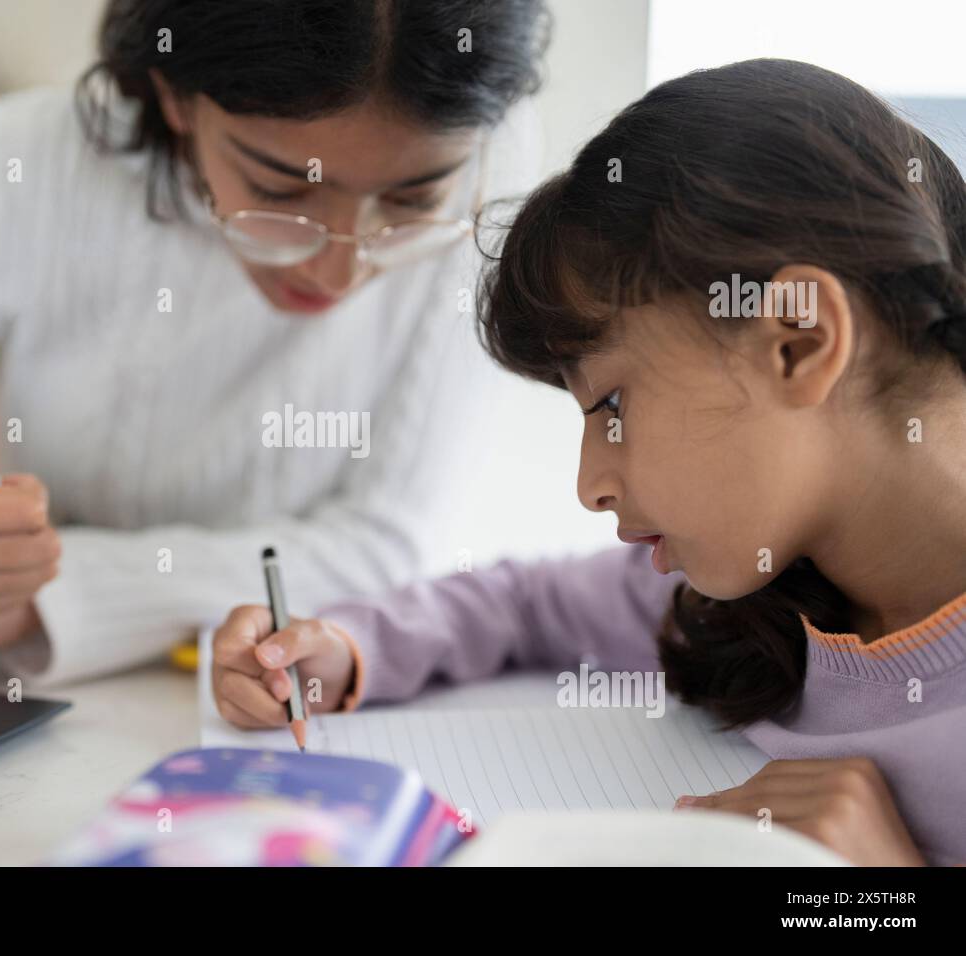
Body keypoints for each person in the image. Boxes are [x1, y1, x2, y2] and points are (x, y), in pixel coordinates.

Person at [211, 59, 966, 865]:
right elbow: (528, 604)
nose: (590, 485)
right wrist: (349, 649)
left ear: (798, 342)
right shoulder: (760, 596)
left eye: (612, 407)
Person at [0, 0, 547, 683]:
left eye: (410, 201)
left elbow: (386, 550)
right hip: (38, 715)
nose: (336, 269)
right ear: (174, 95)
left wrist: (24, 602)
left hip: (298, 712)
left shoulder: (490, 175)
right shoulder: (22, 169)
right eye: (280, 188)